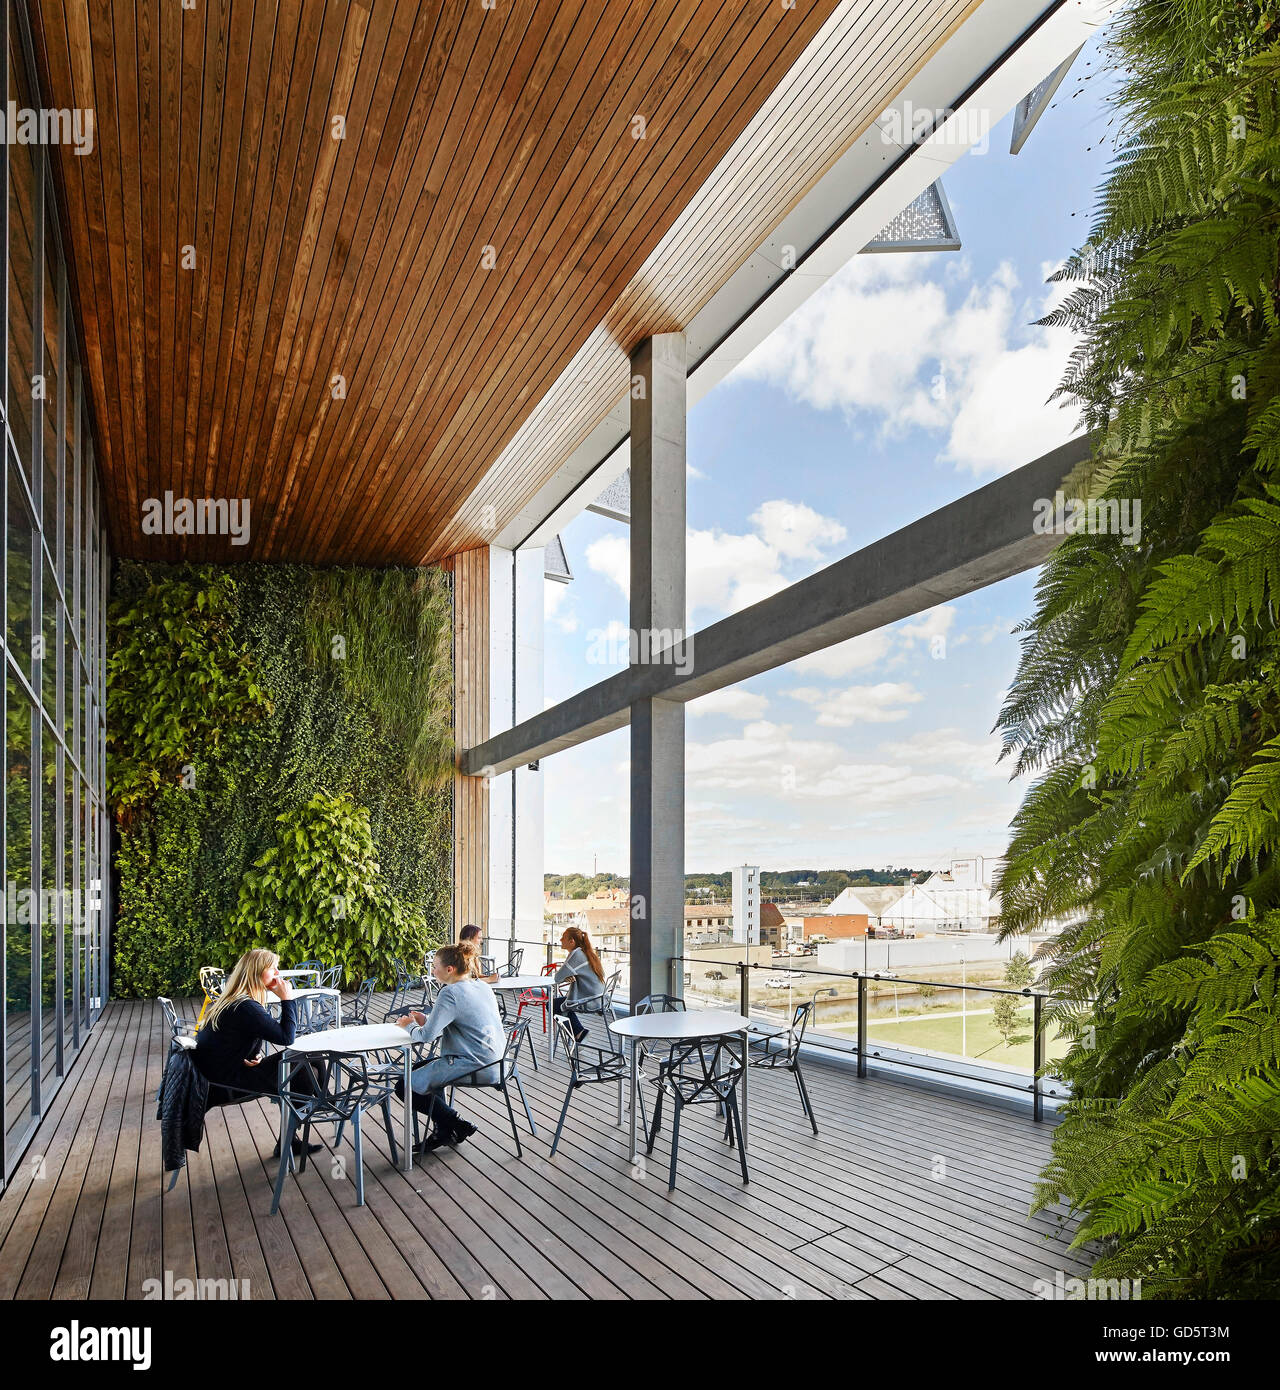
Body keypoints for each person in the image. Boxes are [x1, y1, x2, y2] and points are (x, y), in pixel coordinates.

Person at [193, 947, 320, 1155]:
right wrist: (287, 999)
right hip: (226, 1084)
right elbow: (286, 1037)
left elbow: (229, 1040)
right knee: (306, 1066)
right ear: (256, 972)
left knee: (309, 1061)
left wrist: (251, 1055)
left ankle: (301, 1124)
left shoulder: (234, 999)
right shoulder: (245, 1007)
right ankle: (314, 1111)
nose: (278, 973)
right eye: (273, 968)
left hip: (222, 1074)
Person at [392, 943, 506, 1154]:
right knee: (420, 1067)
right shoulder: (481, 986)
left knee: (404, 1085)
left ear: (449, 969)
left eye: (435, 966)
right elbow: (463, 1019)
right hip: (496, 1062)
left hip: (474, 1064)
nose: (432, 971)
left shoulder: (450, 992)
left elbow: (426, 1037)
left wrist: (409, 1026)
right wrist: (425, 1018)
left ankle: (456, 1123)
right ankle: (444, 1130)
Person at [553, 927, 605, 1044]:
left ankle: (580, 1034)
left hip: (590, 1001)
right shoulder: (585, 952)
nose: (560, 940)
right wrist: (567, 976)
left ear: (571, 941)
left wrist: (565, 977)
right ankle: (579, 1033)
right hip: (600, 998)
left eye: (563, 937)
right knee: (559, 1005)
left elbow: (557, 978)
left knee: (551, 1005)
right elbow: (564, 976)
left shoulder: (576, 955)